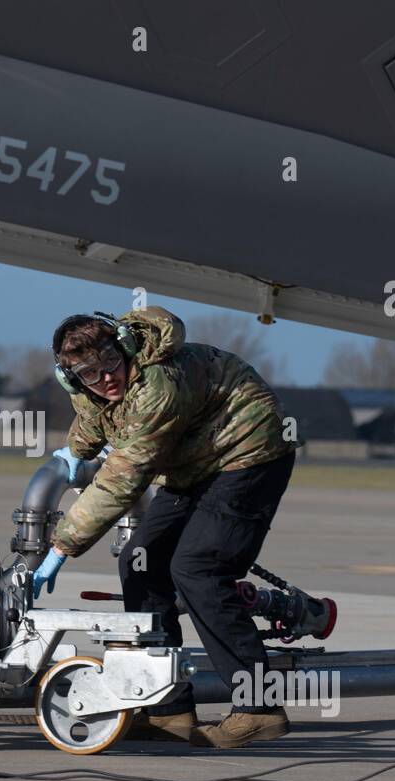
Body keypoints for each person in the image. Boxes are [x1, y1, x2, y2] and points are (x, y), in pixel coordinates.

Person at [34, 307, 300, 748]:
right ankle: (167, 707)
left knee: (199, 568)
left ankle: (260, 708)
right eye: (88, 374)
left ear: (126, 349)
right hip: (192, 464)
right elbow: (97, 419)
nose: (105, 380)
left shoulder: (157, 385)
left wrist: (62, 546)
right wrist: (73, 452)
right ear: (71, 377)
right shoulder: (98, 389)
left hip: (247, 454)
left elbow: (124, 476)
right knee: (140, 565)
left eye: (110, 365)